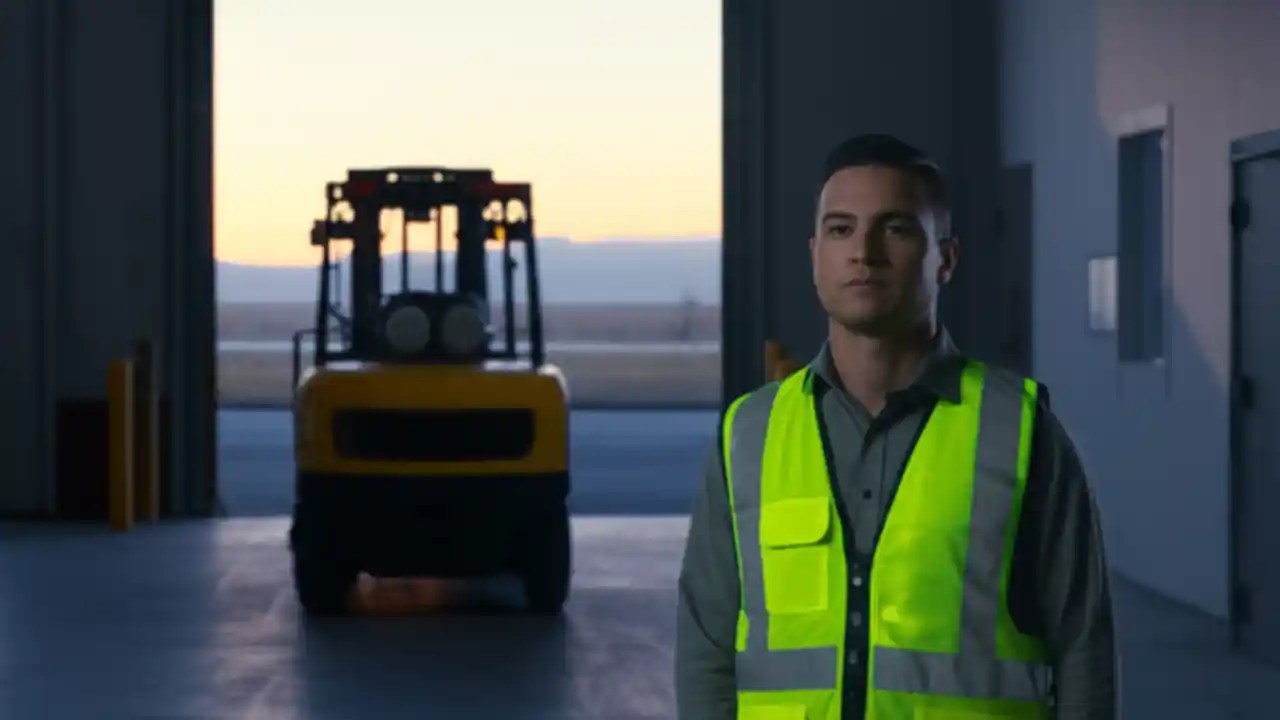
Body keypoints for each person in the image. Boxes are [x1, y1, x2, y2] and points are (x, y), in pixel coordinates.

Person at [675, 133, 1118, 719]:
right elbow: (707, 655)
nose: (864, 251)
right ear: (815, 256)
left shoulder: (1023, 432)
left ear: (947, 260)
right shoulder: (748, 435)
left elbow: (1083, 652)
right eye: (840, 229)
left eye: (896, 228)